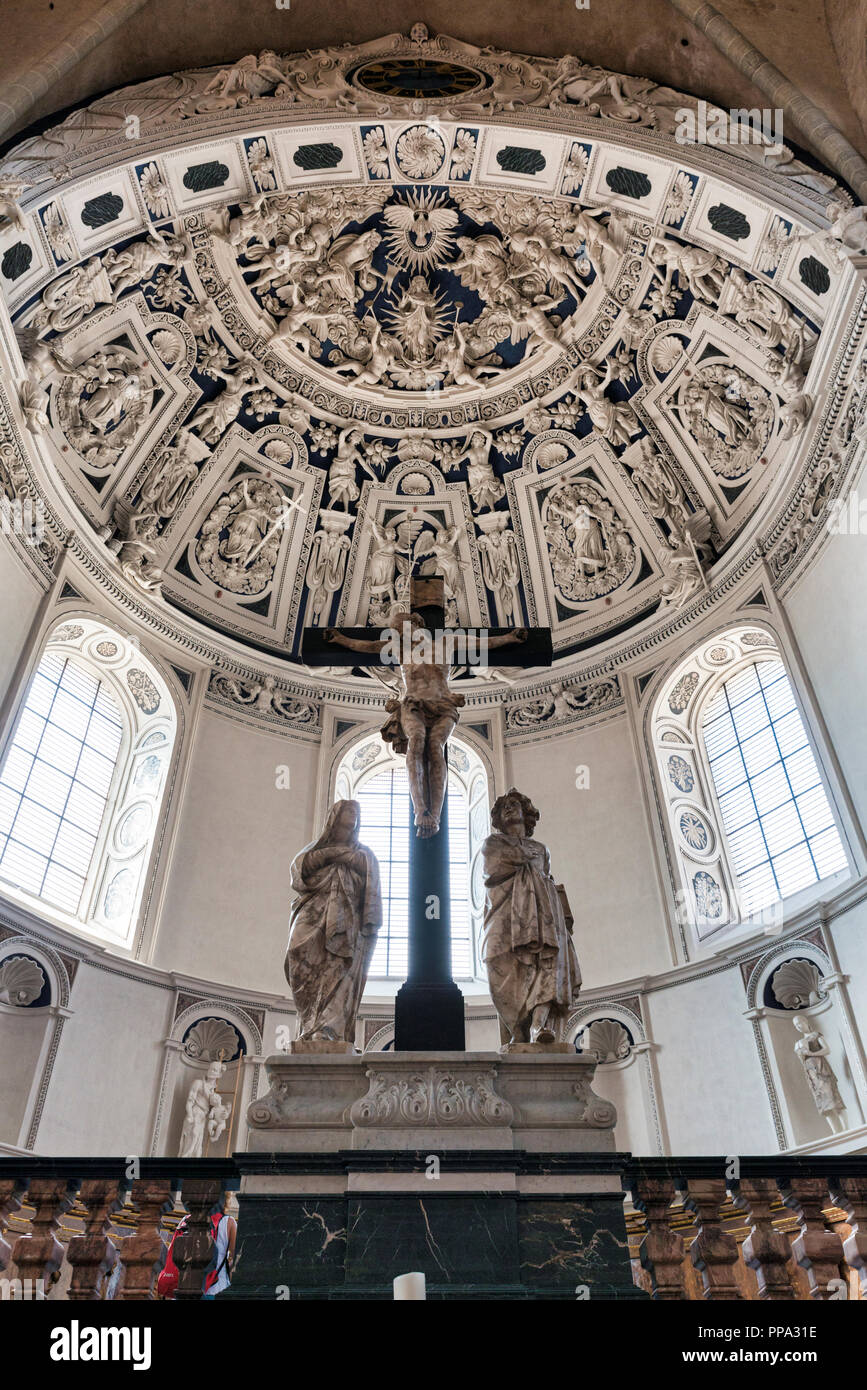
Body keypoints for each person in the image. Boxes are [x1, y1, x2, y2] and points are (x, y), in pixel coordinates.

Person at [481, 787, 581, 1045]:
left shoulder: (541, 849)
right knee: (497, 961)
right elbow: (491, 873)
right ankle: (517, 1031)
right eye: (504, 807)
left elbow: (547, 878)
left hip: (543, 915)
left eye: (515, 805)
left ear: (527, 814)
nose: (509, 809)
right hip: (506, 914)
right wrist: (519, 857)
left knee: (545, 964)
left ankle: (539, 1026)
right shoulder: (493, 844)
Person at [285, 799, 382, 1041]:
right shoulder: (315, 849)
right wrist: (333, 853)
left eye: (357, 812)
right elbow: (298, 872)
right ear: (334, 816)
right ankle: (309, 1025)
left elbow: (371, 881)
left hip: (347, 920)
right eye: (349, 810)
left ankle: (329, 1030)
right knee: (297, 954)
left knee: (340, 968)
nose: (354, 814)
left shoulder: (364, 854)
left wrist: (347, 858)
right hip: (313, 912)